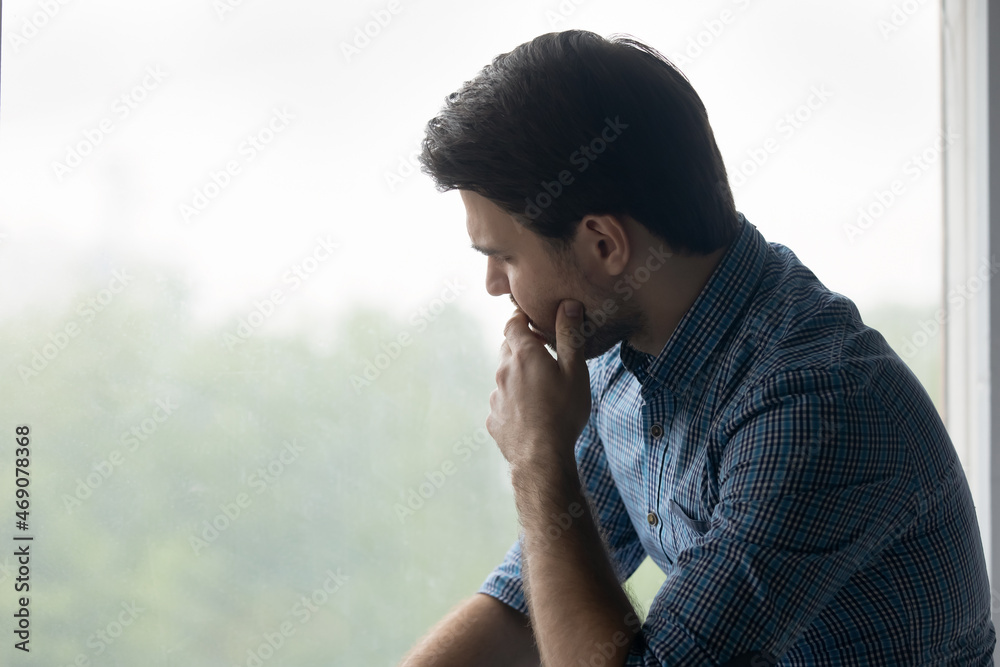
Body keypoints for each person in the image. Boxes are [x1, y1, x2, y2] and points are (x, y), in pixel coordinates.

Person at [399, 29, 996, 666]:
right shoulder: (619, 352)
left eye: (504, 257)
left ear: (604, 245)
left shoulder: (816, 405)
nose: (494, 286)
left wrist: (538, 459)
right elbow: (529, 600)